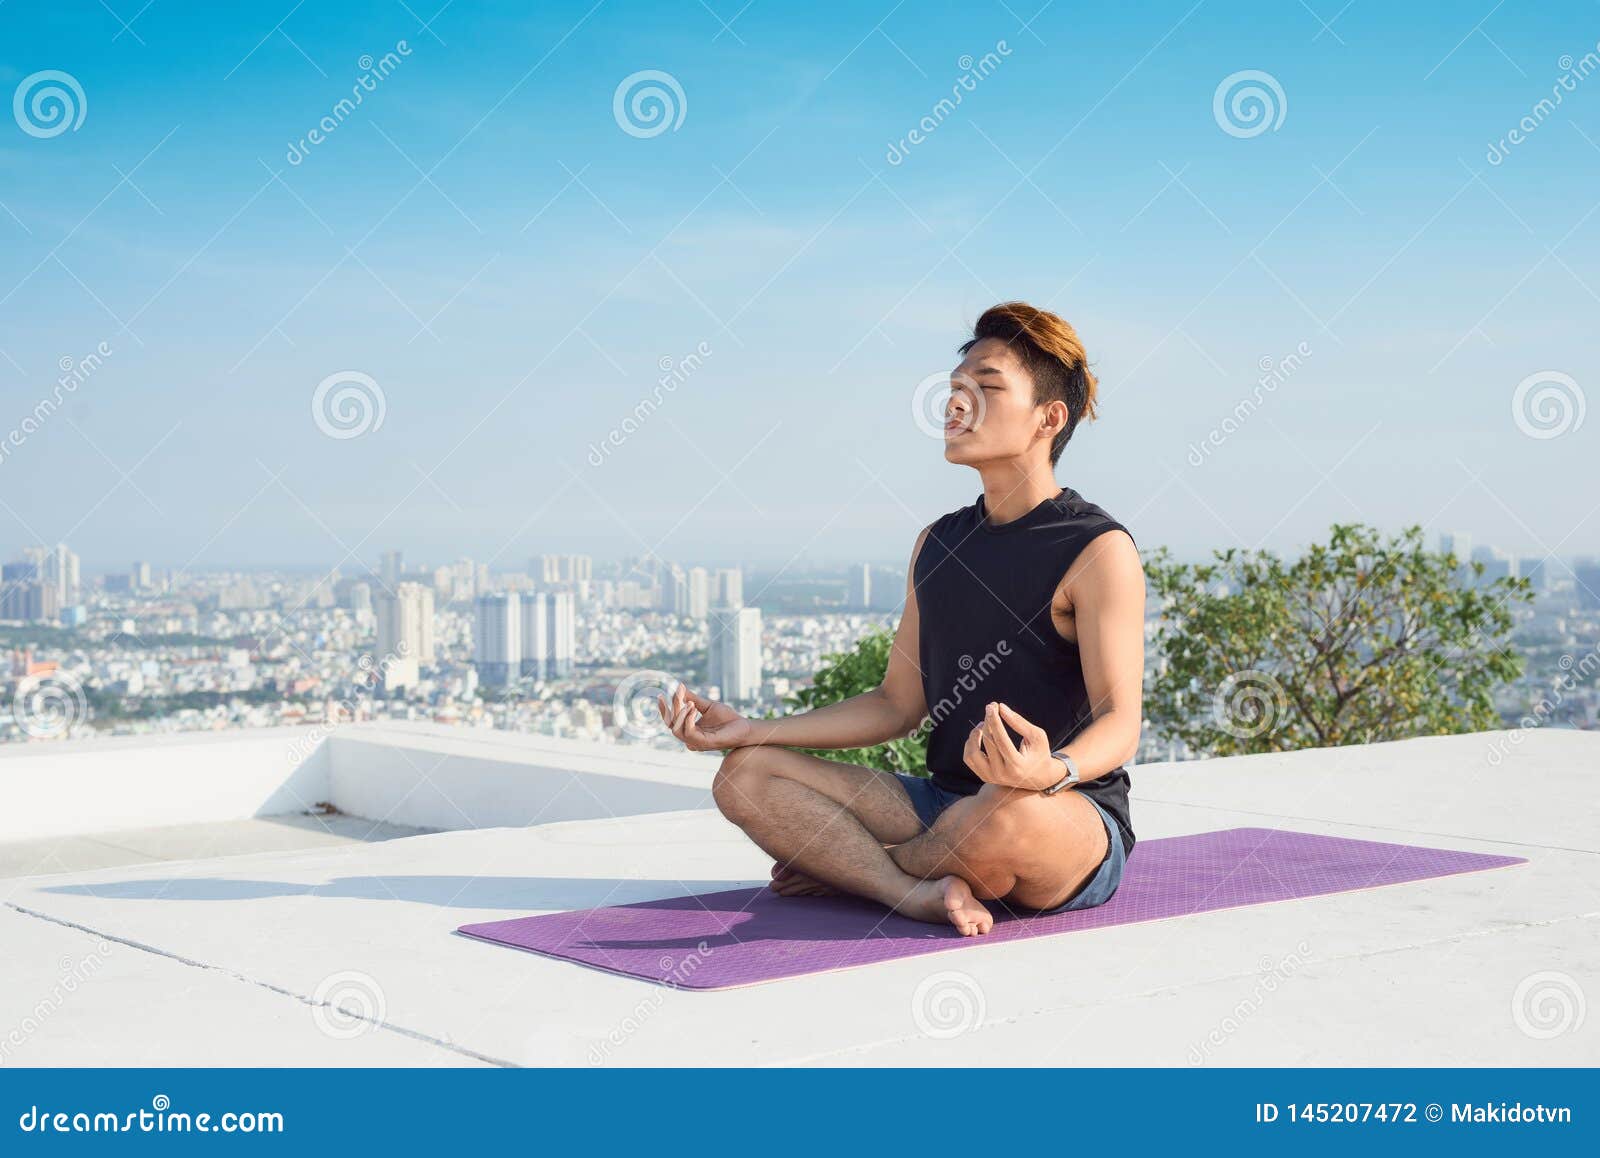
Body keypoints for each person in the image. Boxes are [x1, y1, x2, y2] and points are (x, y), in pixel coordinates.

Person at [657, 302, 1145, 936]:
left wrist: (1047, 770)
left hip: (1060, 811)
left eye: (986, 388)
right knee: (747, 774)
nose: (956, 404)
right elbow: (895, 704)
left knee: (1003, 815)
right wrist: (753, 728)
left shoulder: (1096, 549)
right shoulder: (937, 544)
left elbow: (1120, 722)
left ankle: (861, 872)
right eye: (955, 388)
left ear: (1048, 419)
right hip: (945, 804)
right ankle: (912, 892)